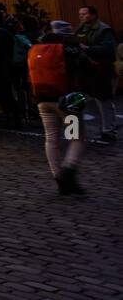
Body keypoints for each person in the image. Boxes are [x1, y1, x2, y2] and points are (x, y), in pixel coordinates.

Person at [29, 21, 94, 194]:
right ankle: (68, 170)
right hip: (67, 103)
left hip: (43, 101)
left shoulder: (36, 47)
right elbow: (89, 68)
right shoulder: (69, 49)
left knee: (51, 139)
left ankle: (59, 179)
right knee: (76, 138)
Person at [75, 5, 117, 143]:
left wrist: (88, 49)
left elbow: (109, 48)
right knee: (86, 100)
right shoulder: (80, 28)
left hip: (101, 69)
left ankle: (108, 131)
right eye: (80, 14)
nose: (81, 16)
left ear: (93, 15)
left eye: (84, 14)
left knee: (103, 100)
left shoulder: (104, 29)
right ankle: (93, 129)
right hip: (85, 70)